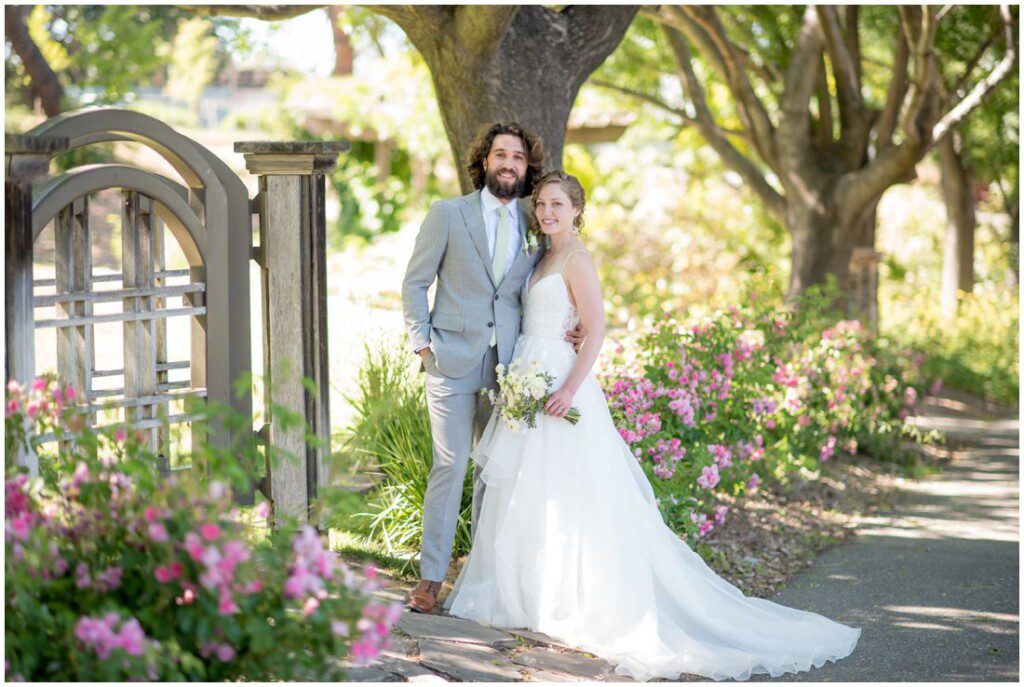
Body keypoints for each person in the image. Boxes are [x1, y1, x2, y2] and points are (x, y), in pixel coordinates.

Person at [444, 171, 862, 681]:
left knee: (573, 495)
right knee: (532, 495)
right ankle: (530, 598)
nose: (547, 212)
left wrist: (568, 389)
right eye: (542, 204)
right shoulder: (540, 256)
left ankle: (581, 602)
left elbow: (594, 330)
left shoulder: (577, 259)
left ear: (577, 209)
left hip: (558, 386)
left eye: (557, 204)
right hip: (529, 376)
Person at [401, 123, 585, 614]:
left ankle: (478, 579)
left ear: (527, 169)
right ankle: (430, 579)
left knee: (493, 473)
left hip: (510, 368)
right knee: (452, 463)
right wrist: (423, 346)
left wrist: (575, 328)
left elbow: (553, 285)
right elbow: (414, 283)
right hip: (451, 360)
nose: (509, 163)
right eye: (500, 154)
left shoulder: (535, 226)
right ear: (484, 161)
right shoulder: (447, 214)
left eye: (518, 158)